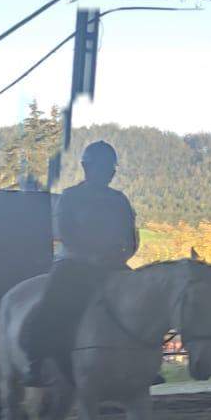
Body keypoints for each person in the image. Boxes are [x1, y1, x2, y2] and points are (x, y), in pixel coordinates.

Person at [19, 139, 139, 386]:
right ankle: (36, 362)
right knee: (51, 304)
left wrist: (121, 256)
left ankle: (143, 361)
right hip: (74, 263)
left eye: (109, 169)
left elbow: (130, 235)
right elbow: (66, 233)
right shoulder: (71, 197)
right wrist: (91, 255)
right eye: (101, 168)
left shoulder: (120, 200)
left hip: (112, 265)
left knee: (140, 302)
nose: (106, 173)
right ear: (87, 168)